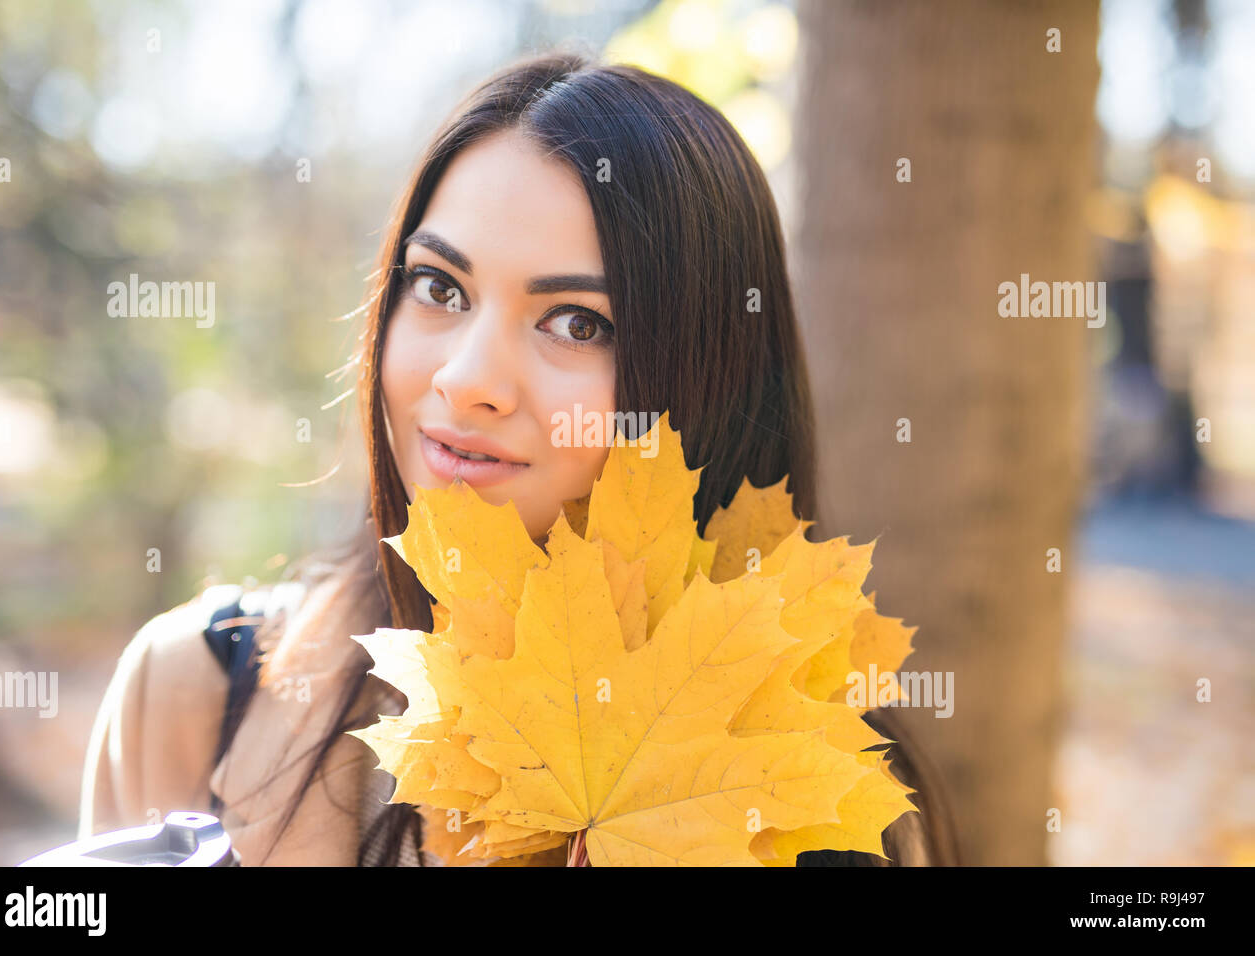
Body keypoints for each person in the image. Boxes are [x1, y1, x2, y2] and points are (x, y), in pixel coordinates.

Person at [78, 50, 960, 867]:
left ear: (710, 378)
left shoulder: (821, 777)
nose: (467, 381)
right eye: (440, 287)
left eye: (577, 322)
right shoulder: (193, 695)